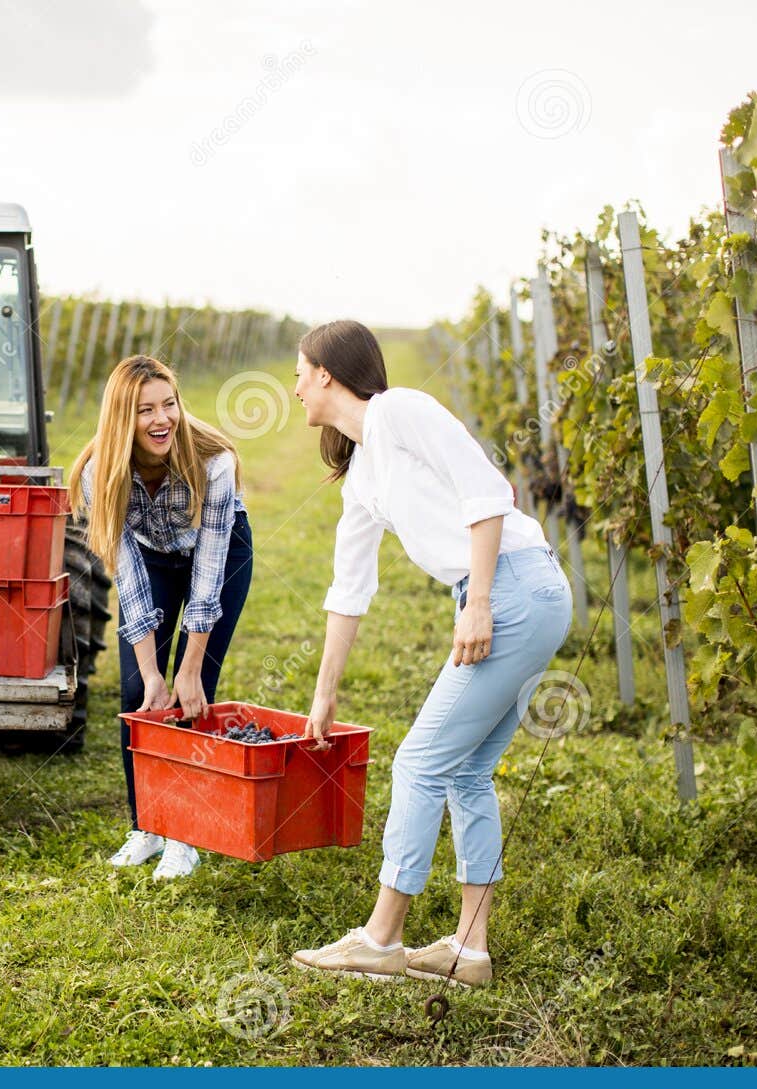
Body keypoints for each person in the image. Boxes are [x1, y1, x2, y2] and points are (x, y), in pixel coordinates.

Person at [288, 320, 570, 986]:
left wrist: (478, 604)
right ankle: (469, 951)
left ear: (326, 373)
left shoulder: (399, 412)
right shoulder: (362, 475)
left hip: (512, 586)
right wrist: (325, 690)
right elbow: (348, 587)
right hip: (514, 590)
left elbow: (486, 490)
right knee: (465, 771)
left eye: (300, 371)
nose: (294, 386)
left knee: (417, 761)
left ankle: (381, 939)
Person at [69, 355, 253, 880]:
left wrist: (187, 667)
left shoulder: (213, 458)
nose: (161, 419)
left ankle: (186, 835)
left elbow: (209, 570)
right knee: (137, 695)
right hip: (152, 556)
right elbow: (128, 576)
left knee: (195, 693)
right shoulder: (98, 472)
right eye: (145, 410)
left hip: (219, 552)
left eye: (168, 404)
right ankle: (149, 824)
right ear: (122, 417)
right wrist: (152, 673)